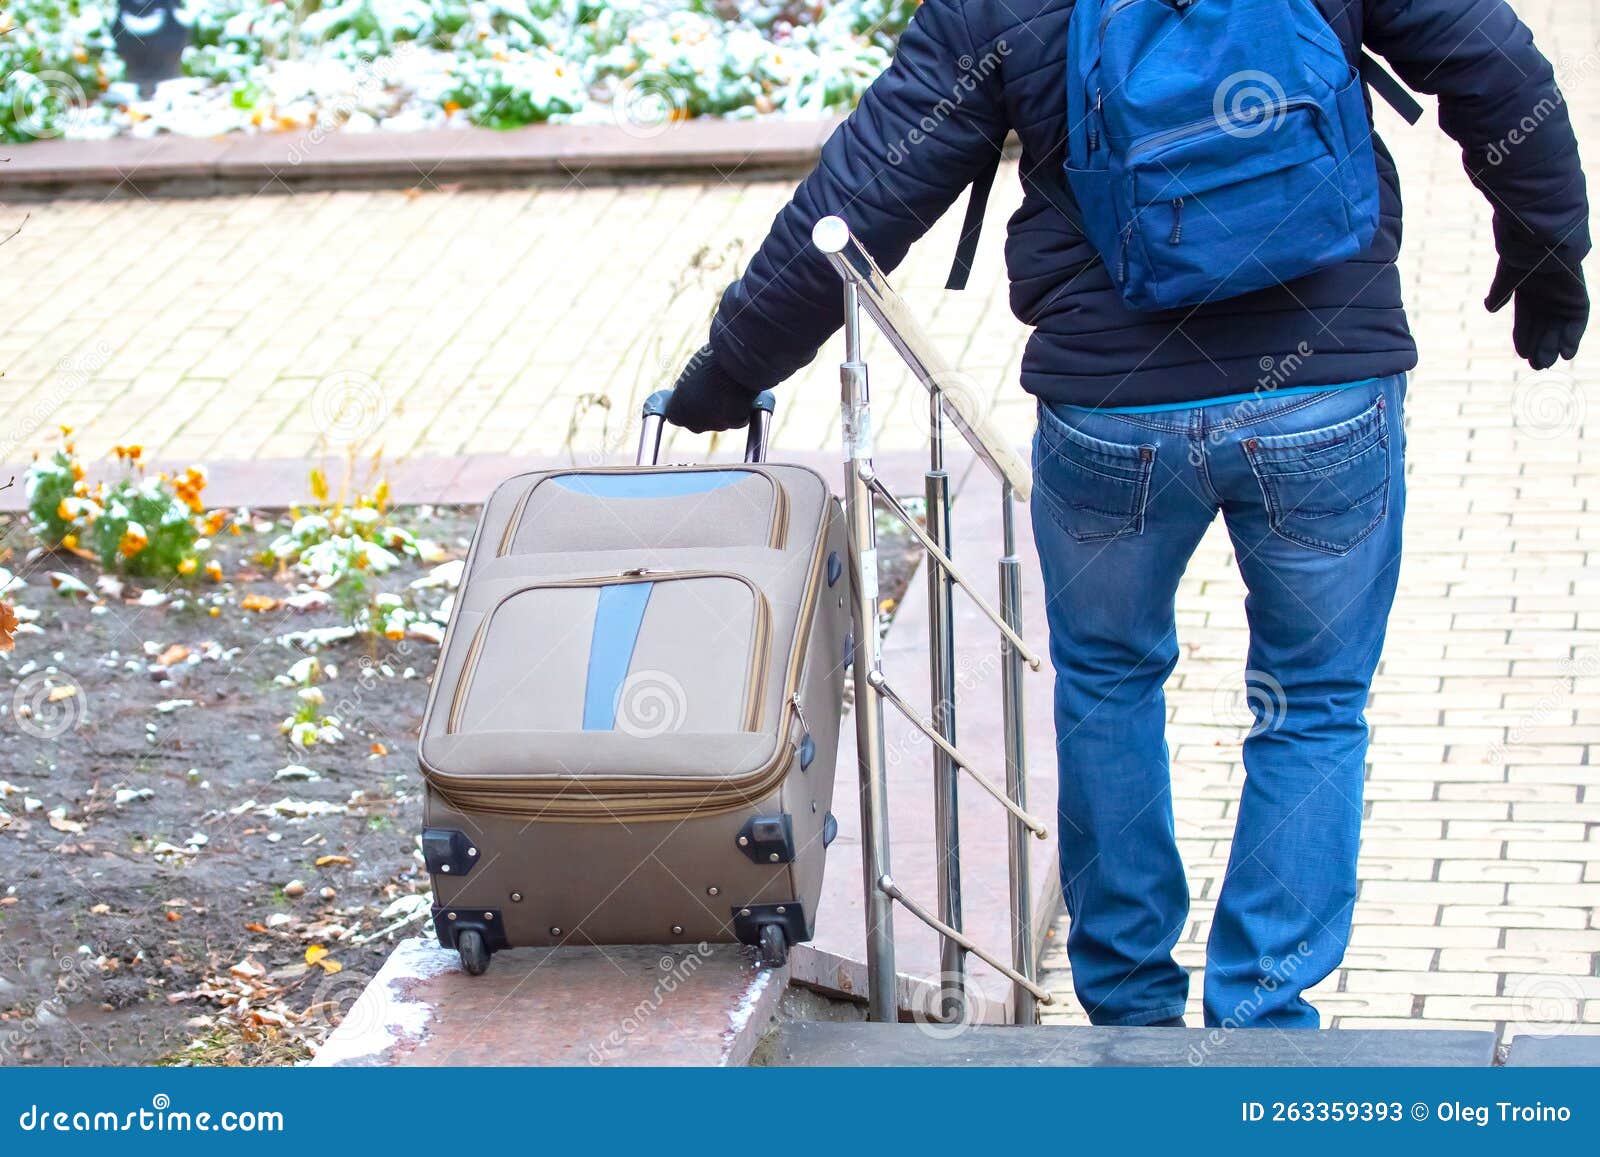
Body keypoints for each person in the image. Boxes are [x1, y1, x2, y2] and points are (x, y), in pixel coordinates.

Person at [662, 0, 1589, 1029]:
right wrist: (1549, 248)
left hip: (1113, 414)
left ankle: (1131, 1009)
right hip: (1326, 394)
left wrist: (727, 373)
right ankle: (1263, 1014)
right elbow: (1498, 68)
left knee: (1107, 685)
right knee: (1315, 700)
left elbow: (865, 190)